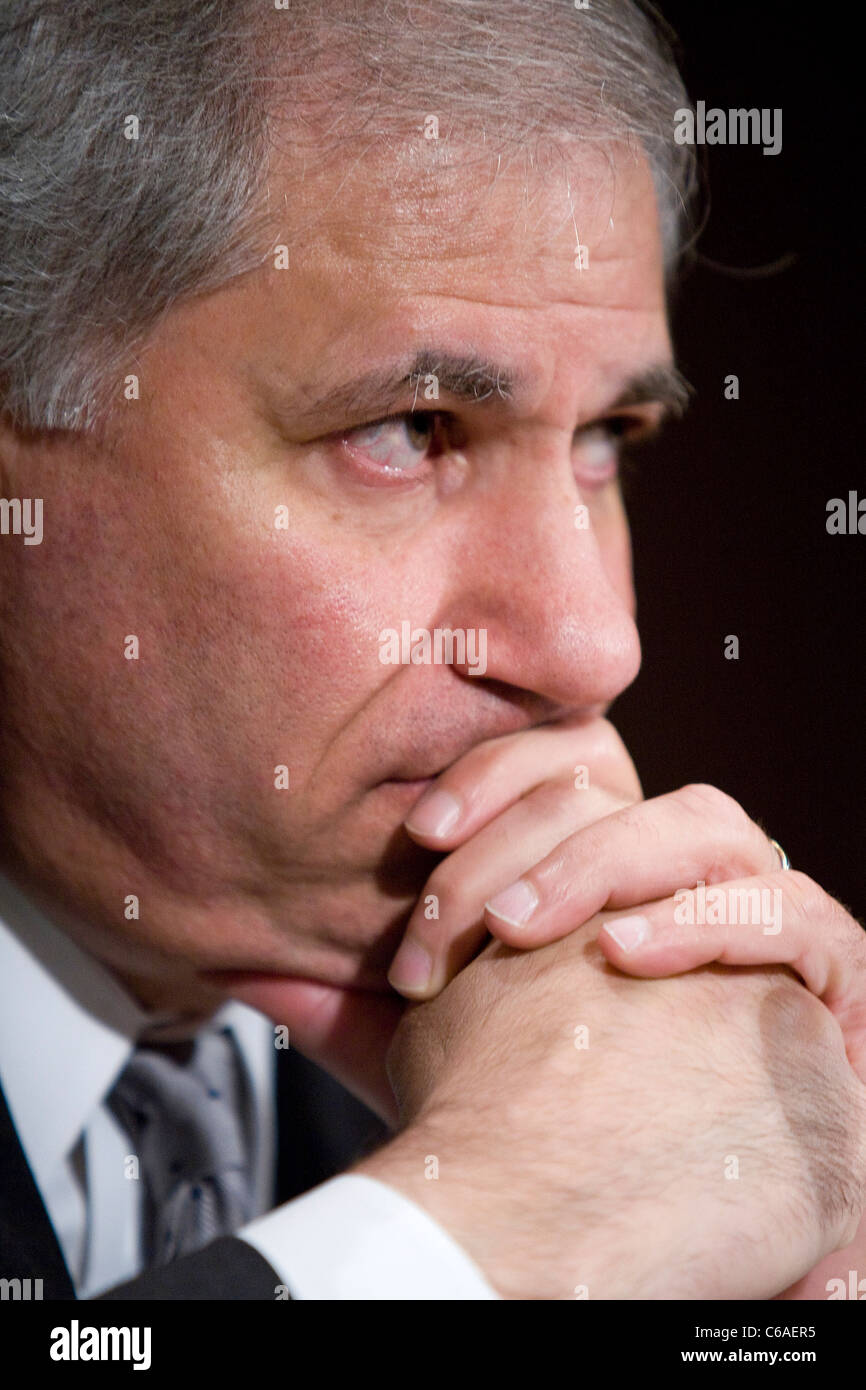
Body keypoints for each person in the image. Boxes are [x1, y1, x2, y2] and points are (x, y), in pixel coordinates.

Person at [0, 0, 863, 1302]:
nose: (590, 646)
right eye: (412, 429)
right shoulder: (546, 1175)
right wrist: (505, 1221)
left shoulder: (650, 1106)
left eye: (607, 438)